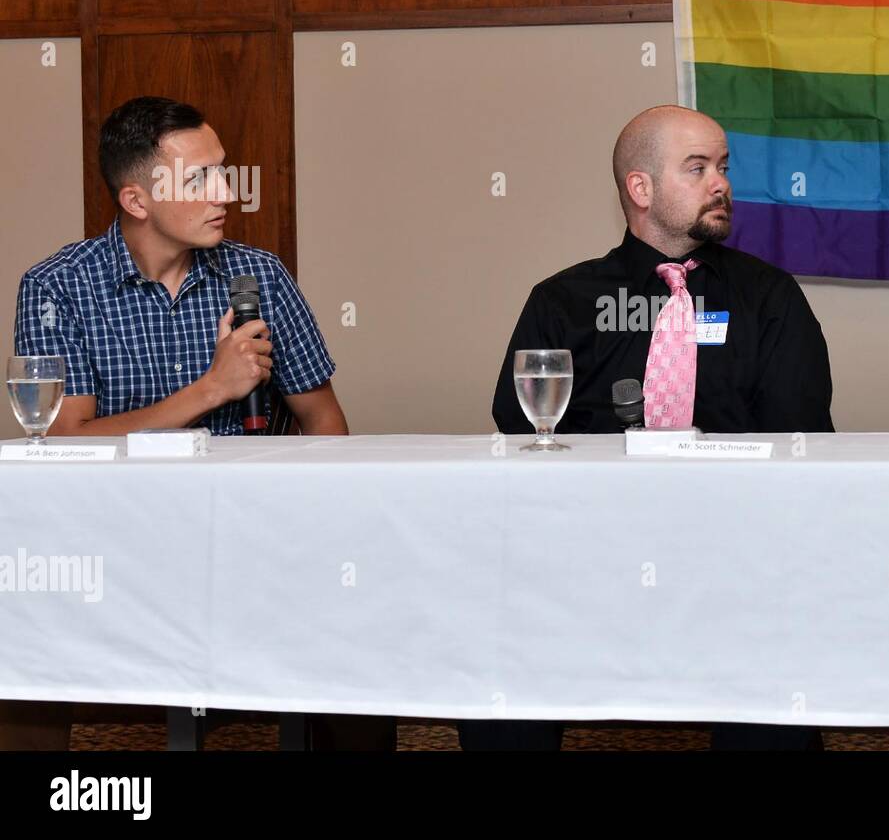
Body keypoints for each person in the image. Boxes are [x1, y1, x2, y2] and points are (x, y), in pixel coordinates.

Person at [1, 96, 390, 751]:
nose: (225, 194)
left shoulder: (258, 275)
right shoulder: (57, 287)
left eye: (224, 173)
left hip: (258, 537)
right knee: (22, 624)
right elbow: (62, 444)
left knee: (362, 618)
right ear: (136, 200)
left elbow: (325, 425)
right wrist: (212, 389)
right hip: (116, 542)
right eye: (199, 179)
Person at [466, 105, 835, 750]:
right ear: (641, 189)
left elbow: (802, 442)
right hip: (587, 554)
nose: (719, 182)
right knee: (493, 690)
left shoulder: (770, 298)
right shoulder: (565, 302)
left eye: (722, 167)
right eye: (696, 168)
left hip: (736, 557)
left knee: (781, 711)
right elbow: (518, 428)